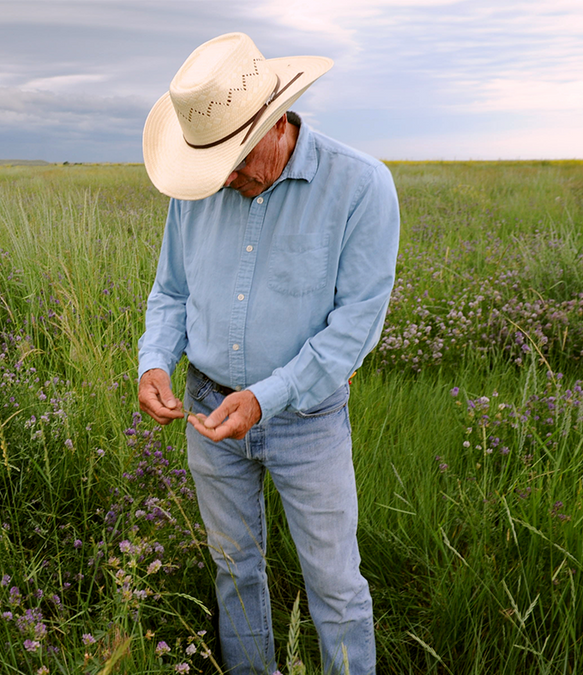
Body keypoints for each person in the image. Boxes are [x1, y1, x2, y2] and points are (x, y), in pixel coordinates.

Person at [136, 32, 399, 675]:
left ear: (278, 120)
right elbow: (170, 291)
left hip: (307, 424)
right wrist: (153, 361)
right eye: (211, 162)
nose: (222, 177)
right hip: (205, 407)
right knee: (234, 570)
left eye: (233, 158)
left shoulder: (361, 186)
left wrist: (266, 398)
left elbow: (356, 325)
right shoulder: (198, 191)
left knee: (336, 586)